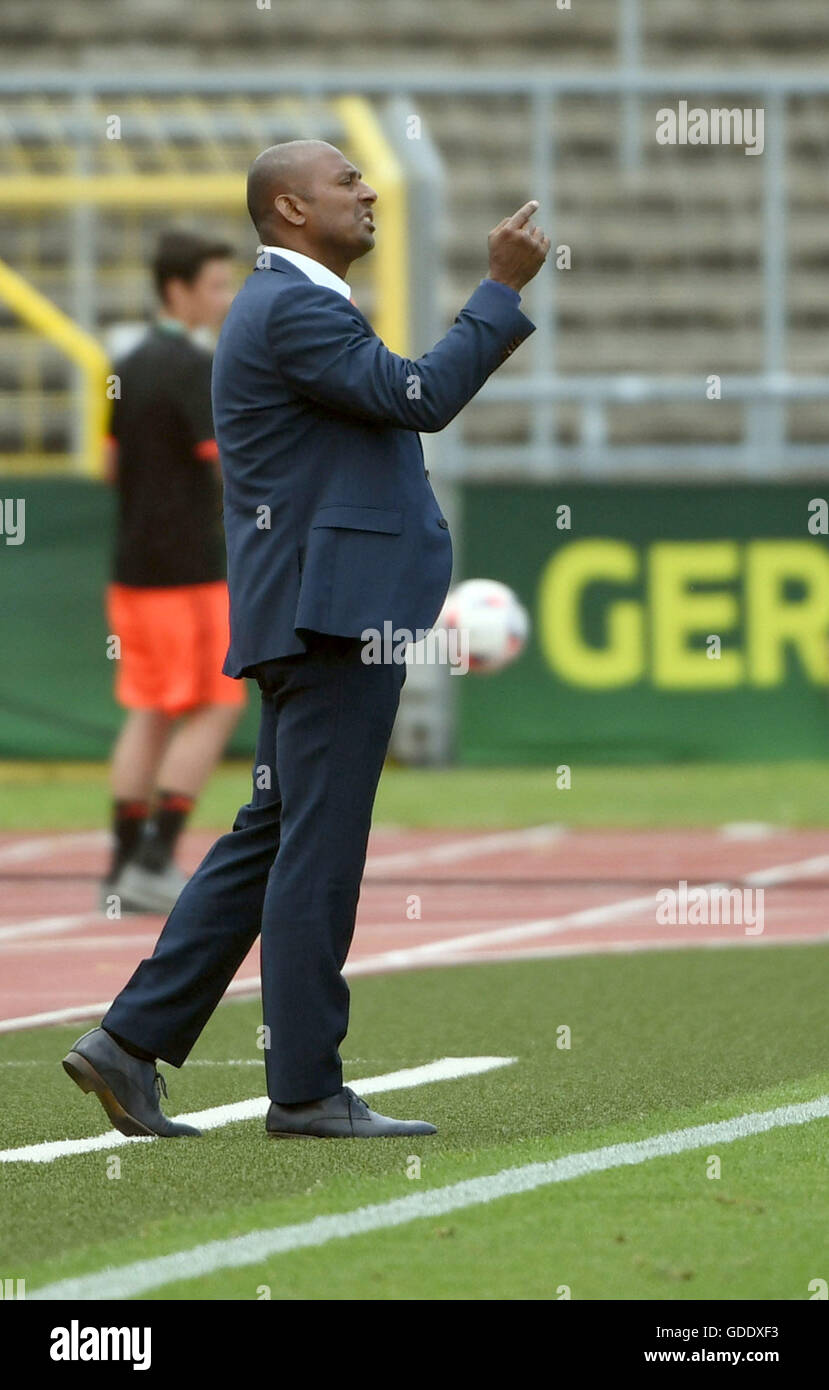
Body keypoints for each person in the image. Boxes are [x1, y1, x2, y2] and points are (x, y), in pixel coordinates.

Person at [63, 141, 549, 1140]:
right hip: (333, 619)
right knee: (315, 852)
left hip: (311, 611)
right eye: (345, 182)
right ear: (290, 207)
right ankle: (306, 1088)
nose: (369, 192)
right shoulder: (295, 306)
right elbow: (422, 396)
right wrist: (497, 292)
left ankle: (129, 1041)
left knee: (272, 837)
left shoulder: (286, 305)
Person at [101, 230, 246, 916]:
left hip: (133, 566)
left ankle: (124, 864)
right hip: (188, 569)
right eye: (215, 285)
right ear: (177, 289)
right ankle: (157, 857)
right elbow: (224, 463)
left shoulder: (126, 362)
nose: (223, 299)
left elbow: (107, 466)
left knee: (151, 709)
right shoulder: (193, 366)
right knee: (219, 704)